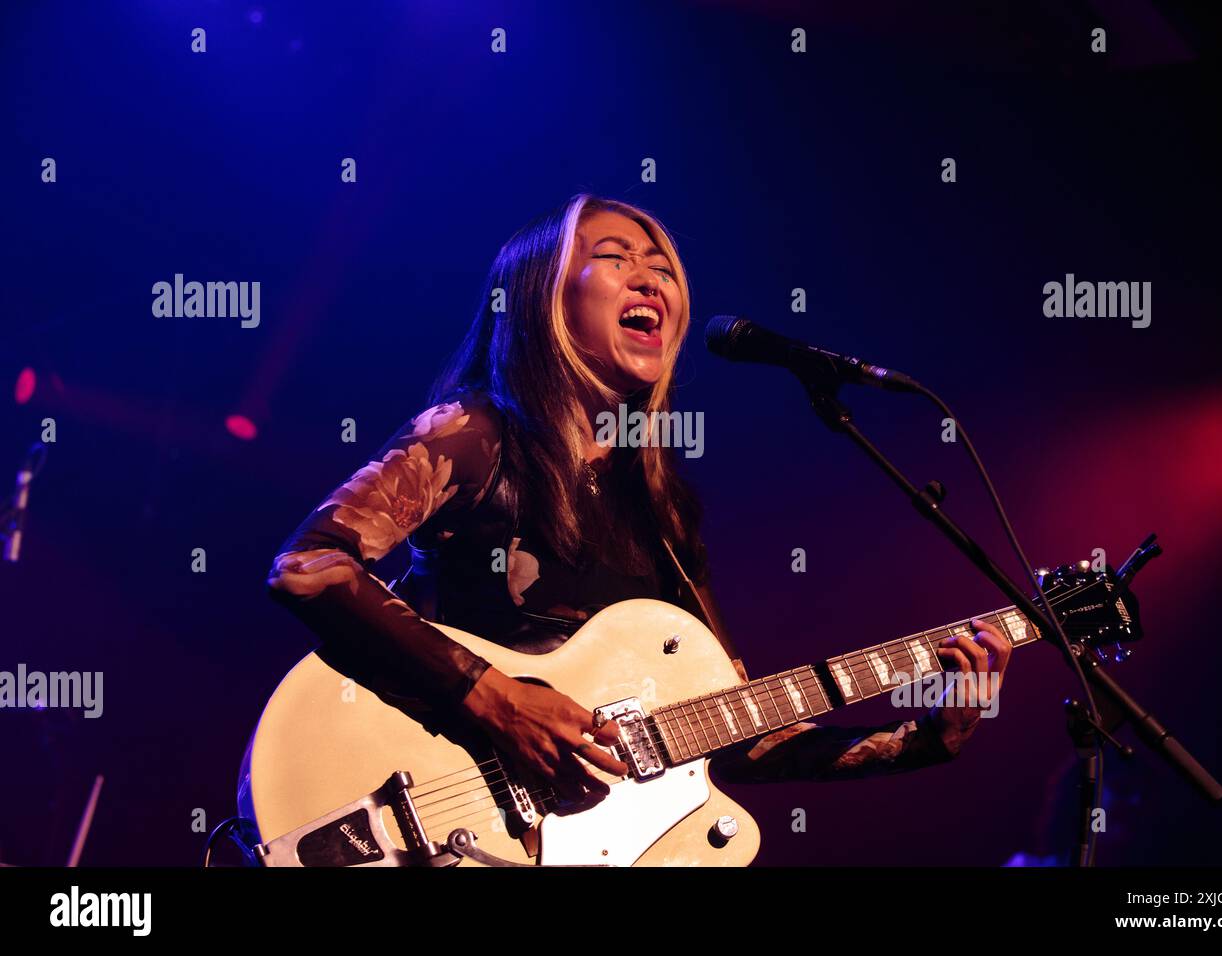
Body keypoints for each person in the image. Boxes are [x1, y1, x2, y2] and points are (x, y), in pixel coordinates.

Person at [266, 193, 1012, 811]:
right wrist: (495, 699)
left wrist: (926, 737)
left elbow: (735, 732)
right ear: (540, 296)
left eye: (664, 269)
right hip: (420, 798)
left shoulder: (662, 509)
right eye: (617, 260)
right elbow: (309, 565)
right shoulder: (474, 434)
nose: (651, 281)